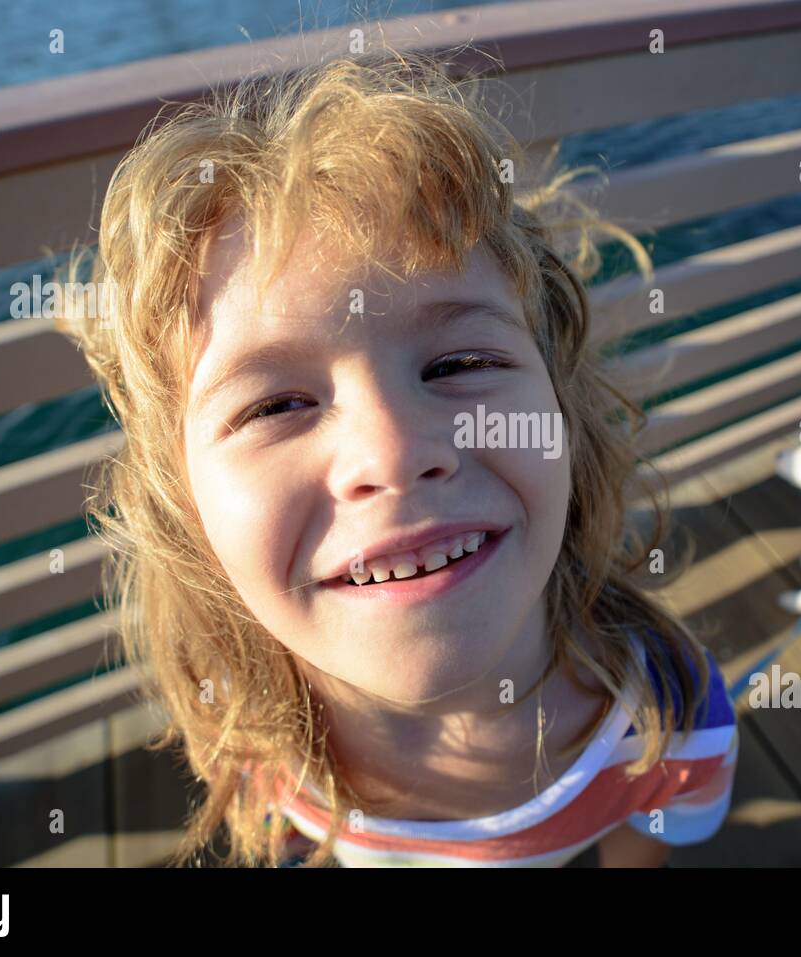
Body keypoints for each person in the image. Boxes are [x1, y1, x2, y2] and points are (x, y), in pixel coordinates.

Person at [56, 44, 738, 868]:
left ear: (559, 405)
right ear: (182, 501)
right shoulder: (248, 720)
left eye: (459, 364)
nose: (392, 452)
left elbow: (650, 841)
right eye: (274, 405)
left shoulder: (670, 714)